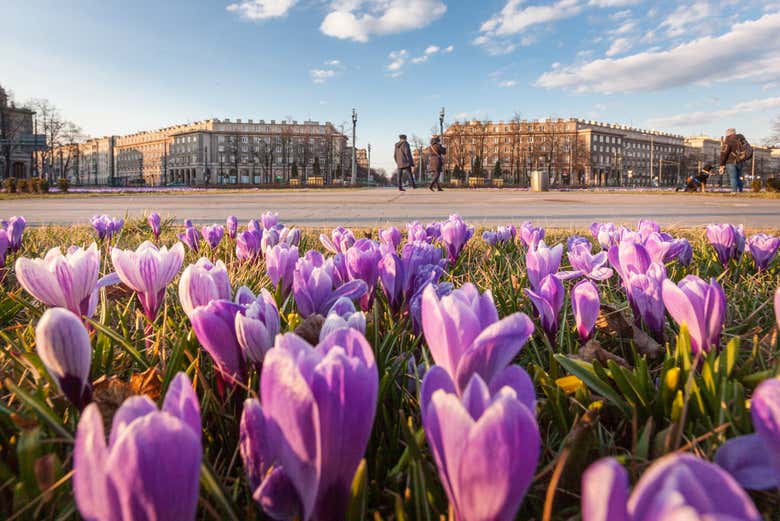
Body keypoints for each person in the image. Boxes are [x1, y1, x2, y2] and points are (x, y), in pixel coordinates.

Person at [719, 128, 751, 193]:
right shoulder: (740, 139)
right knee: (738, 177)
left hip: (730, 162)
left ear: (728, 134)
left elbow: (724, 154)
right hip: (740, 161)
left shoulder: (728, 141)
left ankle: (734, 191)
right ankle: (740, 191)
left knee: (733, 177)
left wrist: (722, 164)